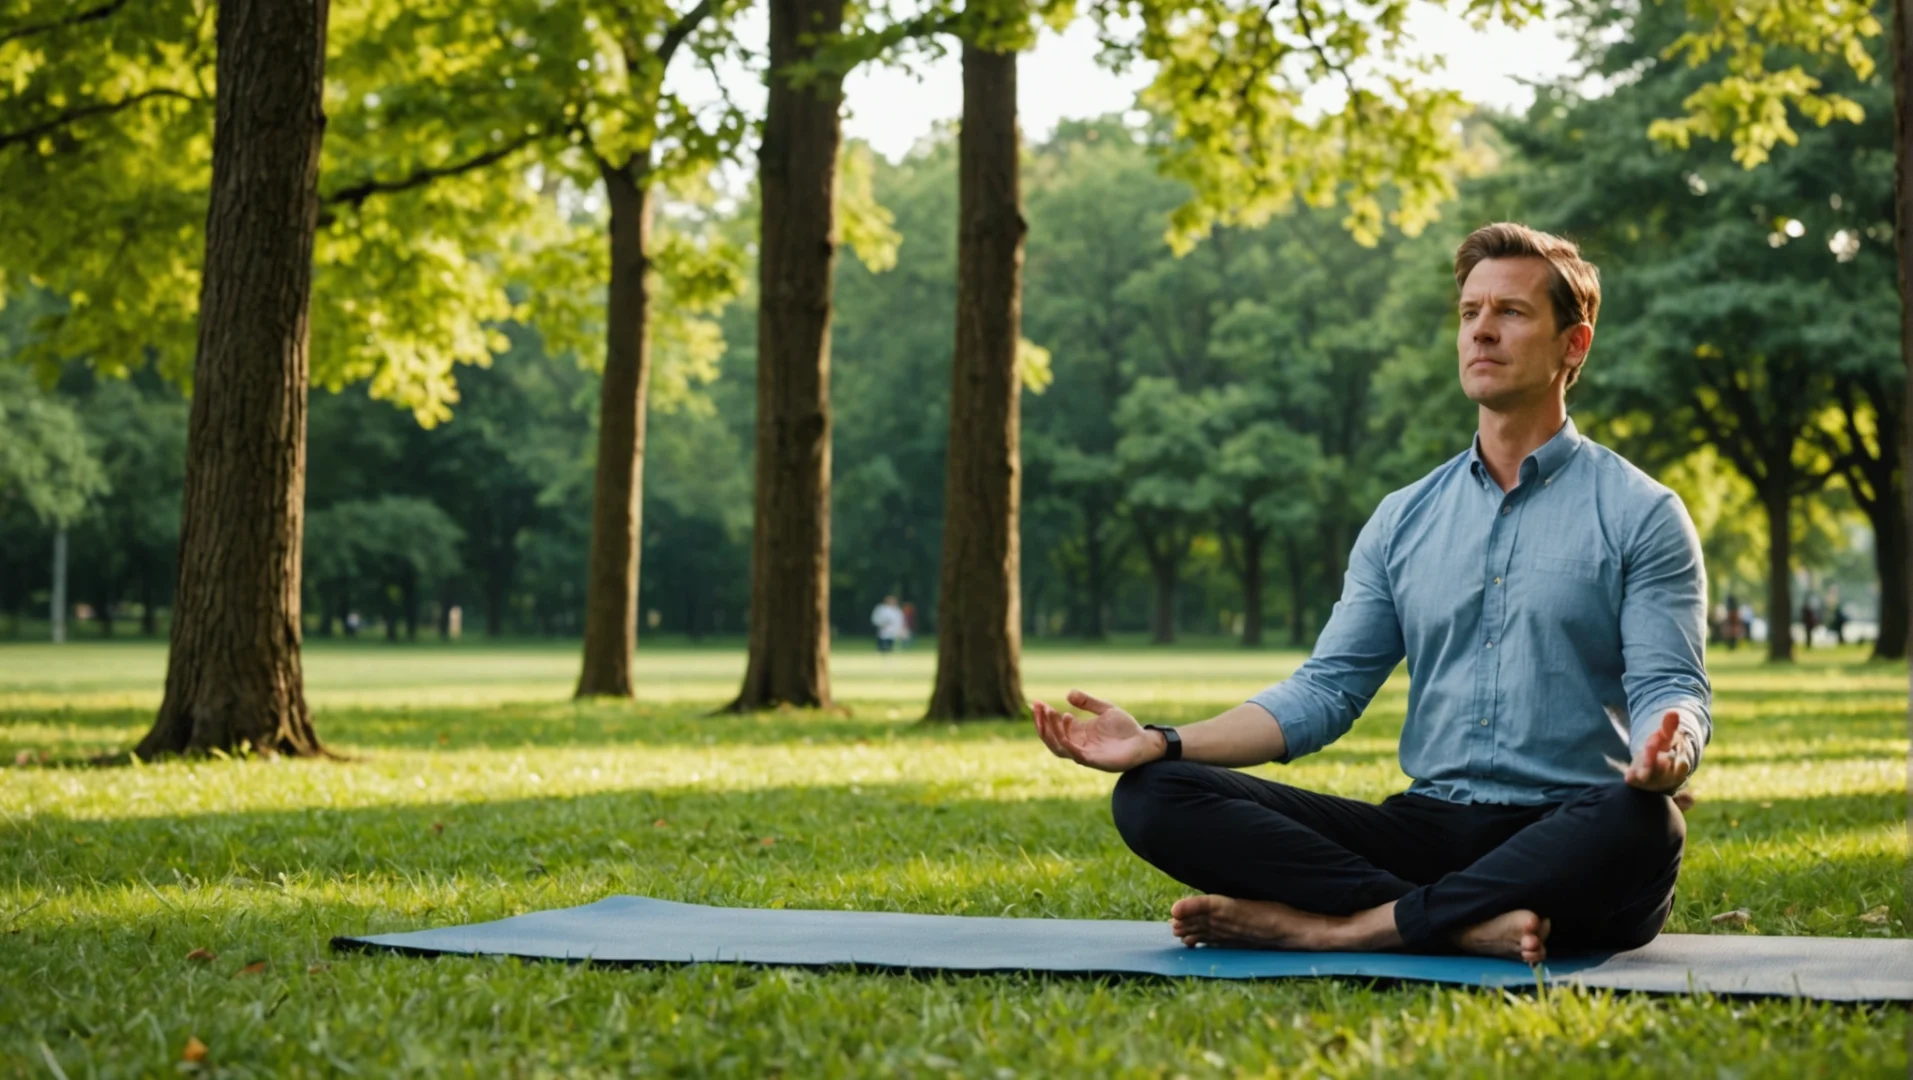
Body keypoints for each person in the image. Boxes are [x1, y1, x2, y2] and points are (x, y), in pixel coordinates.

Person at [1033, 223, 1708, 967]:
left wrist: (1670, 746)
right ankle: (1449, 923)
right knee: (1152, 795)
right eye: (1467, 313)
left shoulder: (1641, 513)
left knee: (1644, 823)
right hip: (1426, 834)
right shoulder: (1403, 517)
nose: (1480, 331)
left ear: (1571, 345)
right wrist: (1161, 741)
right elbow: (1325, 692)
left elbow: (1669, 687)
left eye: (1509, 312)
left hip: (1566, 838)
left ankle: (1344, 928)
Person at [870, 595, 906, 662]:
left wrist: (900, 628)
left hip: (893, 631)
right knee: (882, 644)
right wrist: (881, 623)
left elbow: (900, 620)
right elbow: (876, 618)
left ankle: (888, 657)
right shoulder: (880, 609)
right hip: (883, 630)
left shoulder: (897, 610)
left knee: (890, 645)